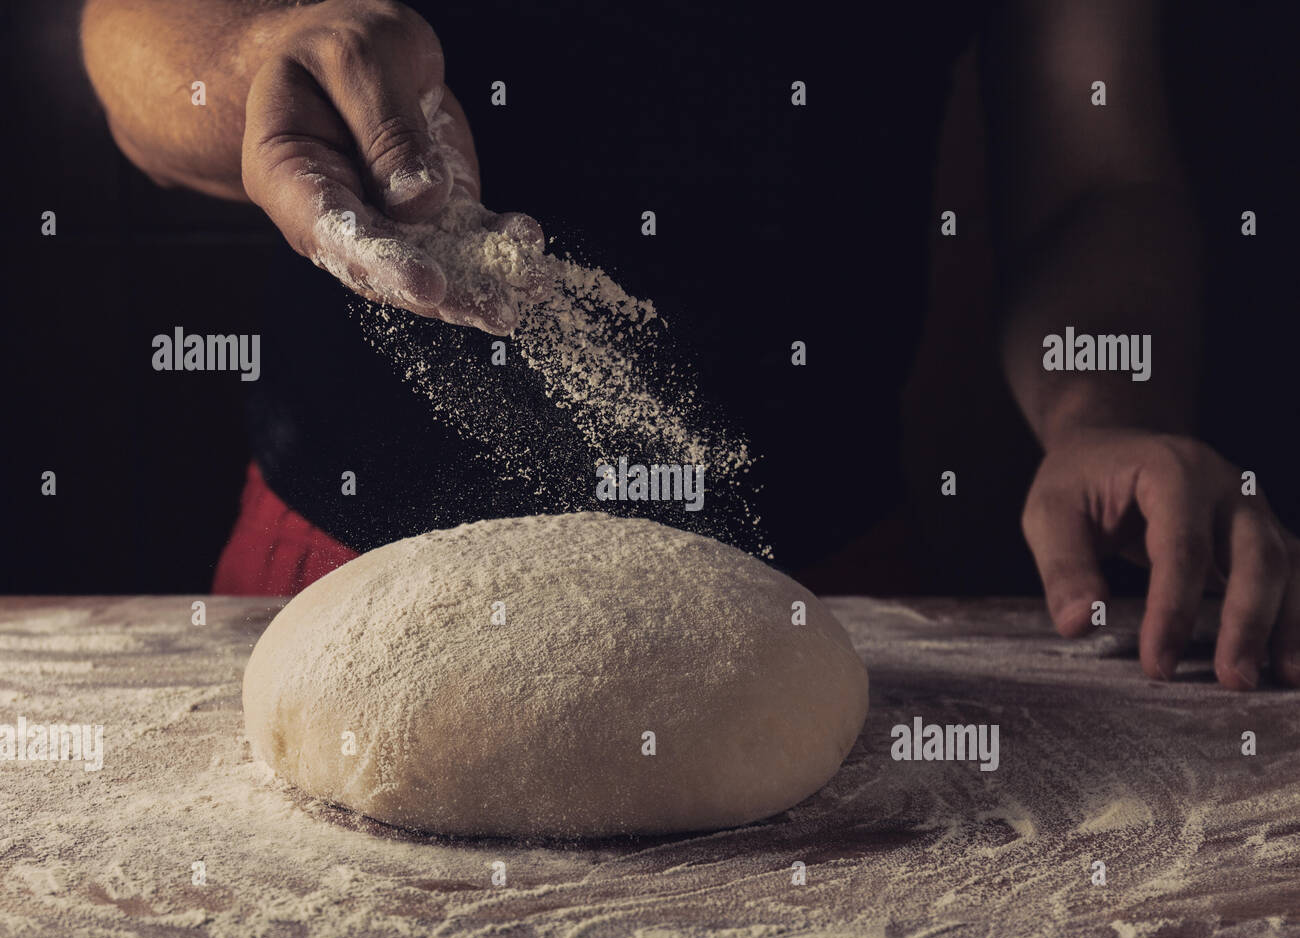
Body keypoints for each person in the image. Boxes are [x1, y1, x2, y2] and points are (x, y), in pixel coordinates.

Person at [80, 0, 1298, 690]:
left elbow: (1097, 170)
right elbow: (130, 40)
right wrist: (251, 65)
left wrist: (1099, 417)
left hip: (813, 609)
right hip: (341, 587)